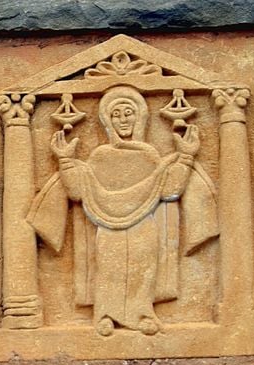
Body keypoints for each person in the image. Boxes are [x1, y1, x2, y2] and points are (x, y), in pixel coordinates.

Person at [27, 85, 218, 336]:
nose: (123, 120)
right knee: (109, 267)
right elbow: (78, 192)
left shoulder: (150, 155)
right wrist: (64, 159)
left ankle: (142, 315)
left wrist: (185, 156)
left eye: (128, 112)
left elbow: (169, 189)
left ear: (140, 117)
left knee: (143, 268)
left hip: (145, 225)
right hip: (107, 226)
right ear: (107, 121)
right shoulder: (99, 156)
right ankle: (106, 315)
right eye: (116, 114)